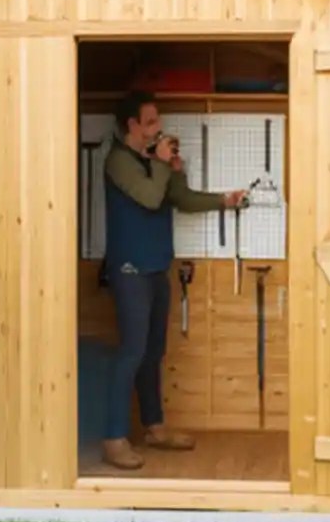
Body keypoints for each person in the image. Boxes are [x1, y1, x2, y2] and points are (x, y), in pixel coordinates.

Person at [100, 90, 247, 469]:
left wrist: (223, 200)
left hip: (156, 268)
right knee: (132, 352)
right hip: (130, 269)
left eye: (157, 122)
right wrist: (164, 165)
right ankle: (114, 439)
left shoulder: (153, 162)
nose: (157, 129)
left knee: (152, 354)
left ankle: (155, 428)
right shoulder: (119, 162)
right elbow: (150, 198)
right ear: (131, 125)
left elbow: (179, 198)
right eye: (150, 122)